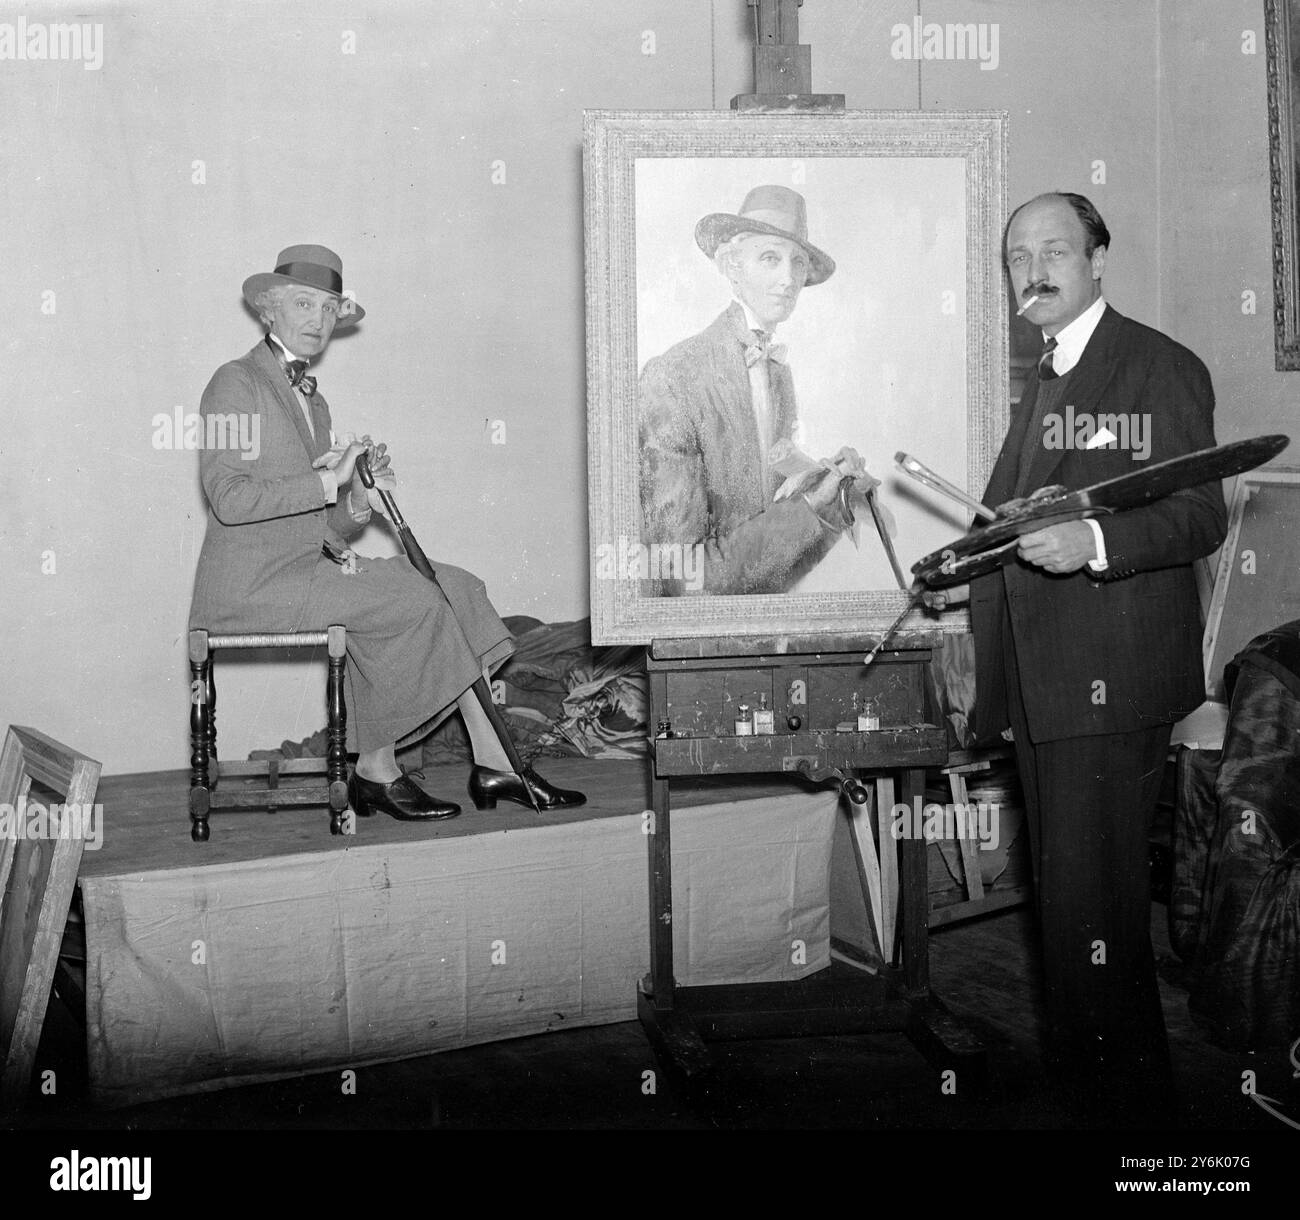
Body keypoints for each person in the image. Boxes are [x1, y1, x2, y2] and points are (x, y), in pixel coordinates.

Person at [929, 193, 1226, 1123]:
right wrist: (949, 576)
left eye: (1055, 250)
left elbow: (1198, 515)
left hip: (1110, 685)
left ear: (1100, 258)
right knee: (1071, 915)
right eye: (1019, 257)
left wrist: (1092, 546)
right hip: (1048, 685)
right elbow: (1005, 522)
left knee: (1091, 918)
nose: (1035, 270)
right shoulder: (1050, 376)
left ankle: (1130, 1125)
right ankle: (1100, 1102)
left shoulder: (1157, 366)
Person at [189, 244, 583, 820]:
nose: (316, 321)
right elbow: (228, 499)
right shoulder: (235, 383)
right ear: (268, 310)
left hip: (306, 571)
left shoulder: (313, 403)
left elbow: (321, 527)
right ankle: (379, 768)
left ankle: (496, 762)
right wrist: (327, 481)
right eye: (302, 303)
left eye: (328, 309)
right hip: (252, 587)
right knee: (409, 601)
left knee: (457, 588)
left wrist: (359, 503)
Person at [637, 185, 878, 595]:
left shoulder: (777, 372)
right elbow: (682, 577)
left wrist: (830, 495)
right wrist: (808, 509)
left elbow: (773, 560)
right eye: (770, 258)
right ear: (732, 267)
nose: (788, 279)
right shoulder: (674, 377)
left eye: (798, 263)